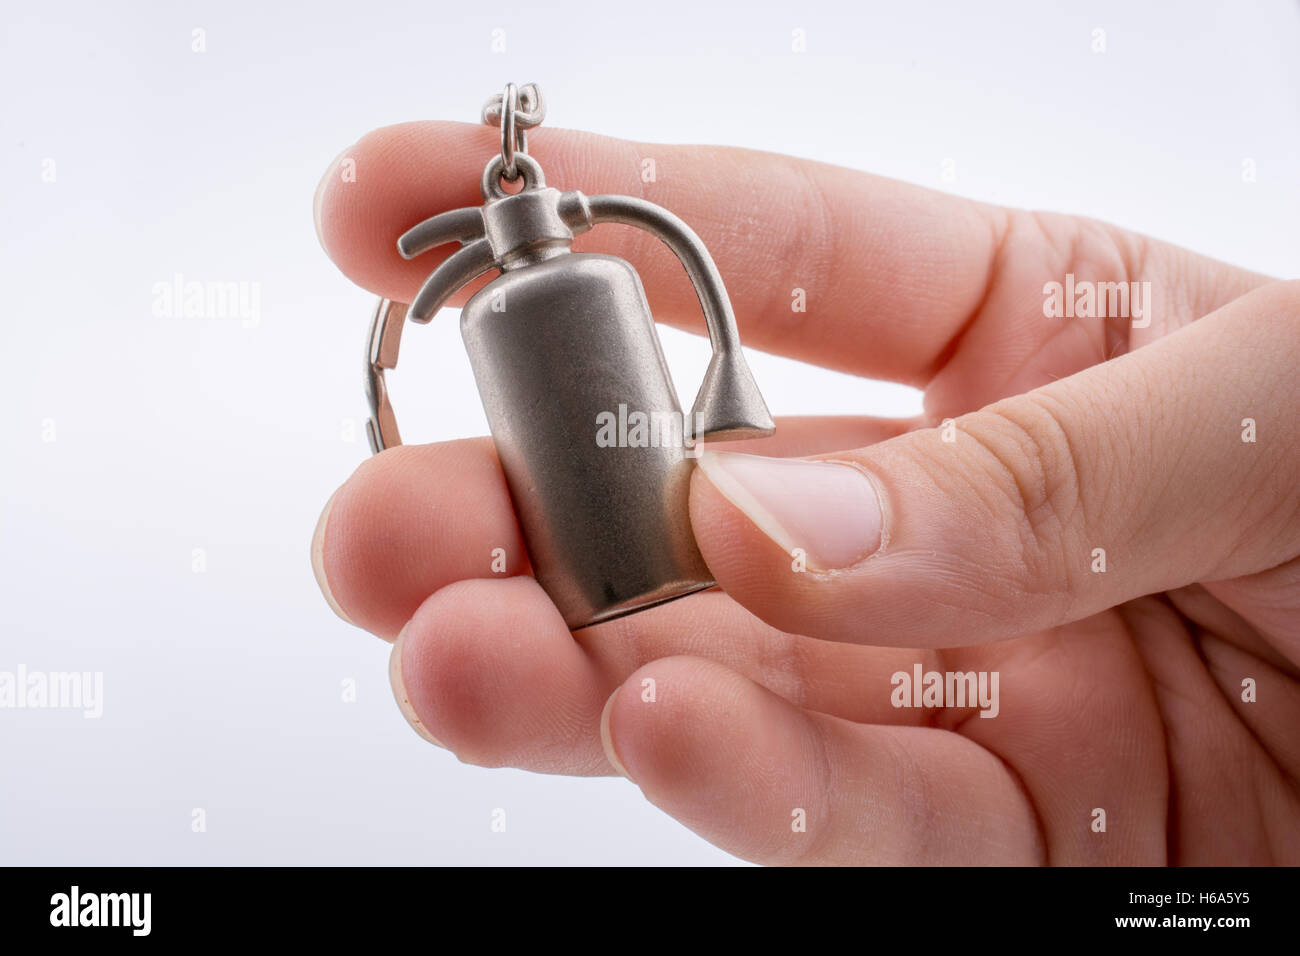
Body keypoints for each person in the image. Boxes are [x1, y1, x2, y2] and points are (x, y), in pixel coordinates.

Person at [311, 120, 1299, 865]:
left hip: (656, 570)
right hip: (665, 566)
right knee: (487, 621)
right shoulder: (550, 293)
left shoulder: (581, 283)